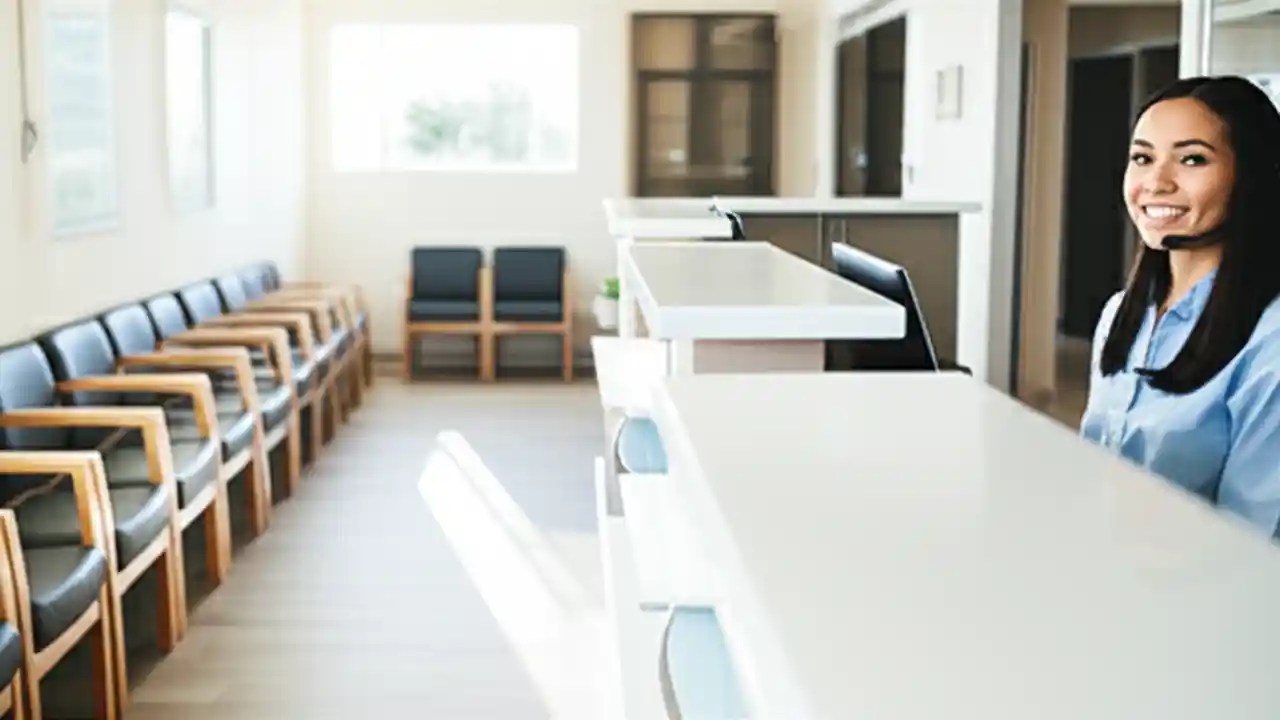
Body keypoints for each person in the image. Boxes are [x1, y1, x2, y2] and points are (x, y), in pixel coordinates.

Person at [1081, 76, 1280, 537]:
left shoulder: (1270, 341)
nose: (1156, 182)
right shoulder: (1120, 315)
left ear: (1251, 175)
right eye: (1142, 158)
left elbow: (1254, 544)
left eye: (1192, 159)